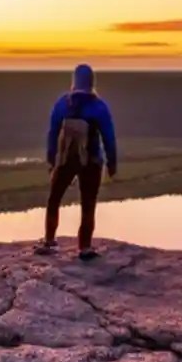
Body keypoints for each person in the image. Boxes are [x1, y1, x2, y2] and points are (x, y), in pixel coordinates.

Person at [37, 64, 117, 260]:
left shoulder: (63, 103)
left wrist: (51, 158)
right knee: (88, 204)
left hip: (66, 160)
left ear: (74, 81)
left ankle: (49, 241)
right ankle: (85, 247)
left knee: (54, 199)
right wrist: (111, 162)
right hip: (92, 161)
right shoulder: (99, 106)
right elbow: (108, 137)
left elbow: (53, 133)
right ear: (92, 82)